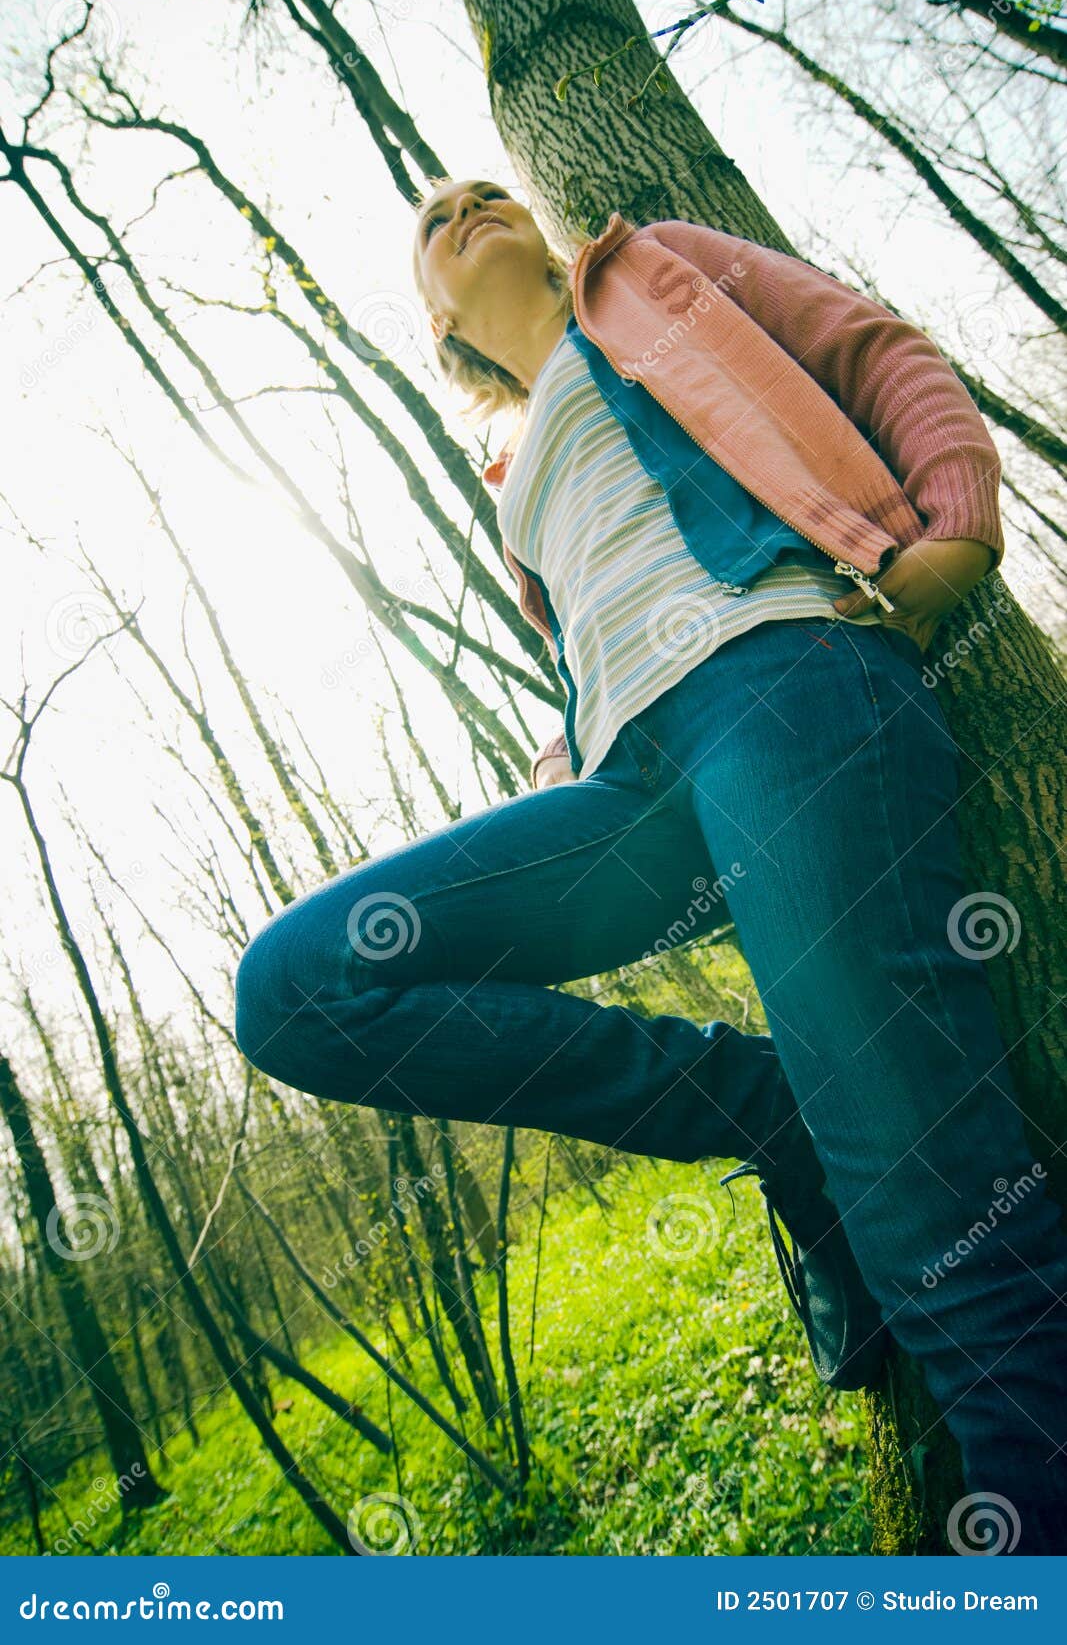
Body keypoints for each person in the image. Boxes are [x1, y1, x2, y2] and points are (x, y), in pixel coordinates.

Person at [234, 179, 1067, 1554]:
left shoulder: (654, 271)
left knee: (936, 1227)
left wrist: (956, 519)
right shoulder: (511, 480)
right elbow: (599, 664)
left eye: (477, 191)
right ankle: (763, 1107)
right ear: (441, 327)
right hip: (631, 786)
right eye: (430, 221)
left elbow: (874, 350)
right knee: (301, 986)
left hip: (787, 678)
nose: (457, 203)